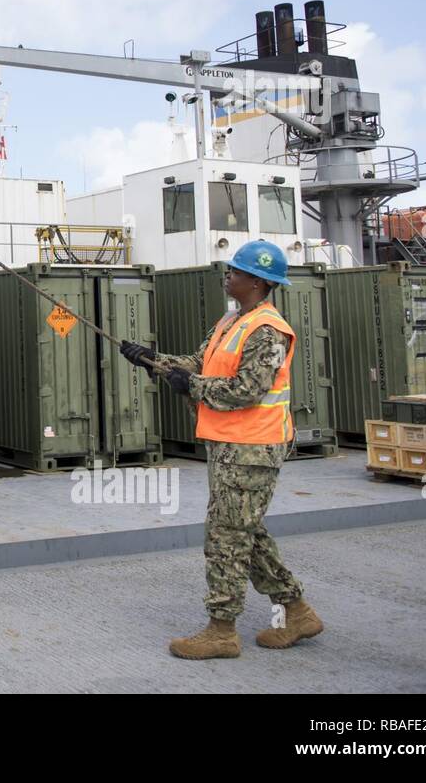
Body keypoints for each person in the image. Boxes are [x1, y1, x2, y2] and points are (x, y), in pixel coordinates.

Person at [120, 240, 322, 659]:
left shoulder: (267, 330)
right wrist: (153, 360)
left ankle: (222, 630)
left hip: (253, 448)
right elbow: (200, 363)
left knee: (226, 536)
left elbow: (247, 390)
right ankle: (297, 610)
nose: (227, 276)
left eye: (235, 271)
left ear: (257, 281)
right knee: (245, 532)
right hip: (231, 446)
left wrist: (190, 386)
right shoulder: (232, 321)